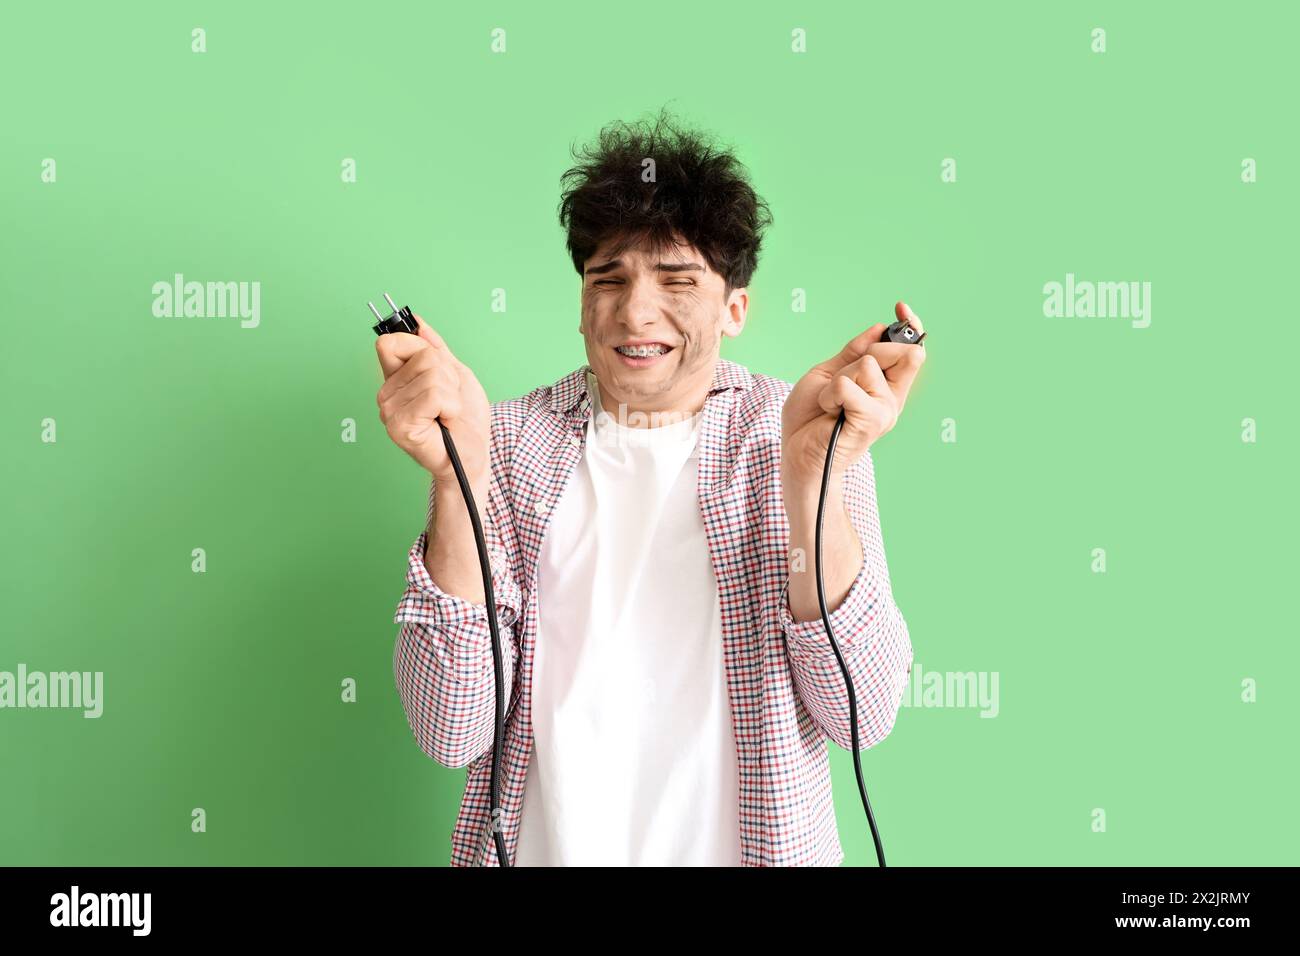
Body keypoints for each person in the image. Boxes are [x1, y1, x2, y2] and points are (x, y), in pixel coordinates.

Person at [375, 109, 926, 866]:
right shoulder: (499, 442)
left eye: (676, 281)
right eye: (609, 278)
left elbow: (860, 715)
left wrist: (810, 485)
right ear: (581, 305)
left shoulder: (801, 433)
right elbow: (449, 730)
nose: (636, 311)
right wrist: (456, 476)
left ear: (734, 308)